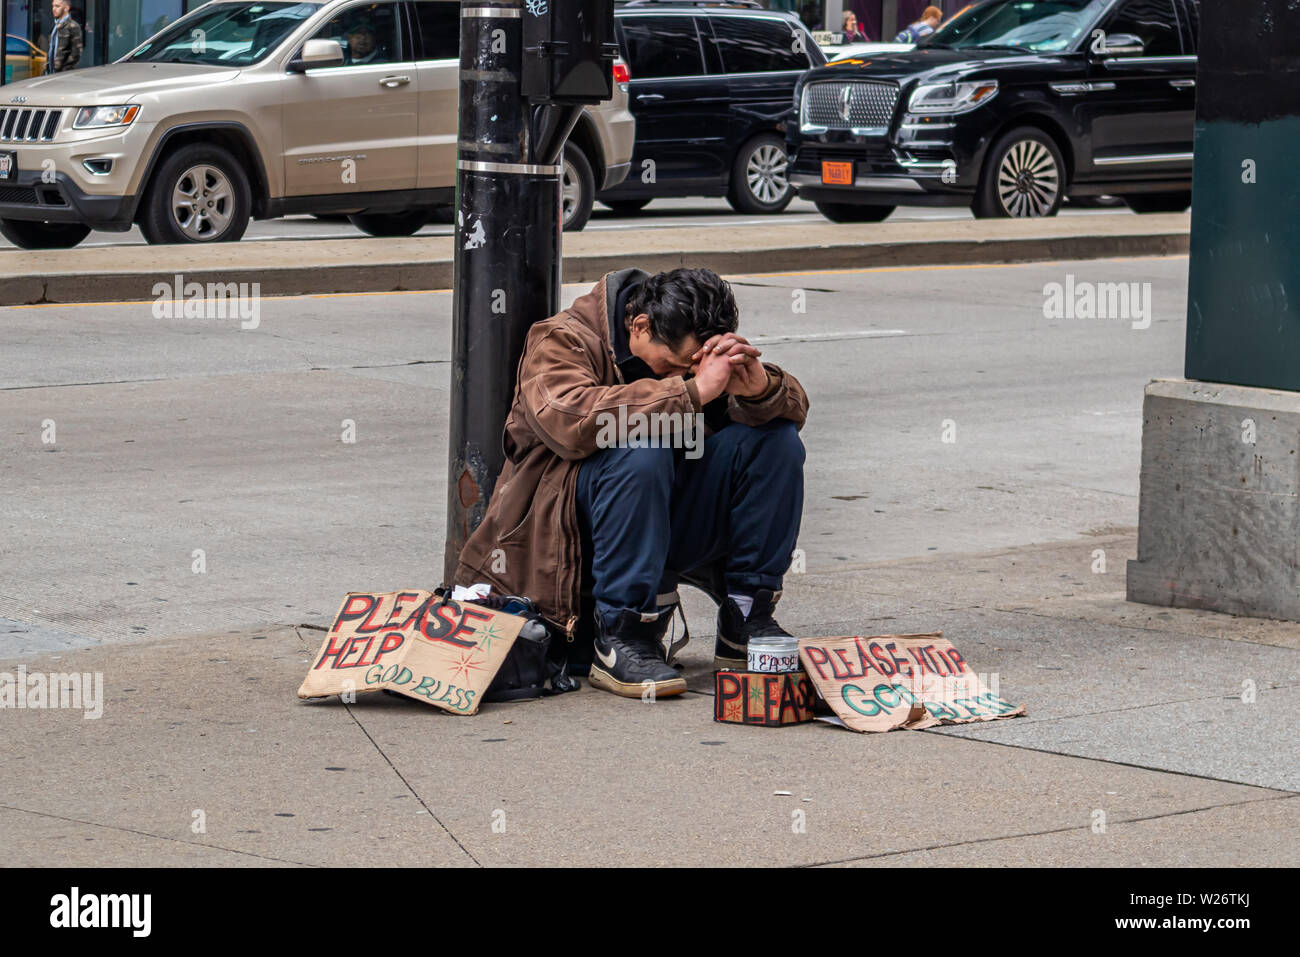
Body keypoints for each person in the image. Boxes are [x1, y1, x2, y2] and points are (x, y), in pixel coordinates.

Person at [453, 268, 809, 699]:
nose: (688, 373)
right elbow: (571, 421)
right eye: (678, 365)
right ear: (639, 326)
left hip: (659, 516)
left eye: (697, 365)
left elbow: (786, 408)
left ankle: (746, 616)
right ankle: (622, 635)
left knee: (775, 440)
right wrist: (693, 391)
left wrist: (760, 388)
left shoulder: (685, 343)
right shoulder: (560, 339)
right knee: (643, 450)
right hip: (570, 531)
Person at [46, 0, 83, 73]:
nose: (54, 9)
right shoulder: (55, 26)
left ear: (66, 8)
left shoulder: (73, 26)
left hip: (63, 74)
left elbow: (76, 53)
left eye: (57, 6)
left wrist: (64, 70)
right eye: (53, 6)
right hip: (51, 72)